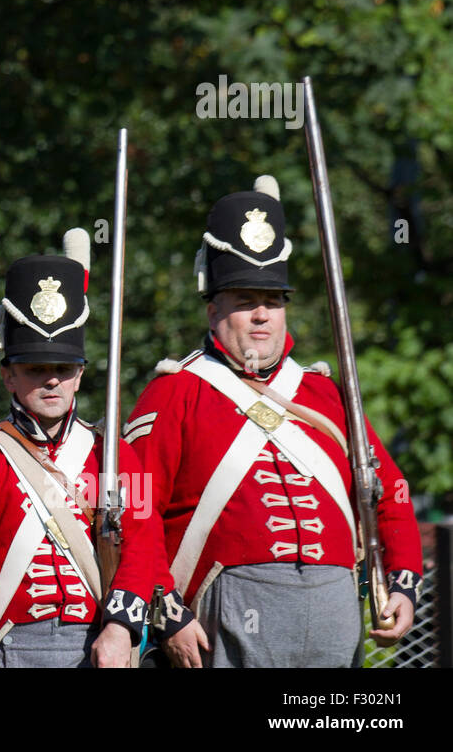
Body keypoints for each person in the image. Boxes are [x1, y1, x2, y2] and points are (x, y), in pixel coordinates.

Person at [127, 176, 422, 667]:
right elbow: (135, 513)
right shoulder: (175, 391)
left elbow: (390, 492)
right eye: (245, 300)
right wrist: (166, 610)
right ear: (213, 308)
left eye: (273, 299)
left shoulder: (326, 393)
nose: (262, 314)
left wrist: (404, 581)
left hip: (334, 607)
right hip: (228, 609)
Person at [0, 229, 169, 667]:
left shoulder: (115, 454)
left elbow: (143, 542)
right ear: (9, 376)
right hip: (10, 645)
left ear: (80, 375)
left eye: (63, 368)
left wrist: (121, 629)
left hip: (98, 640)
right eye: (35, 369)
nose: (51, 380)